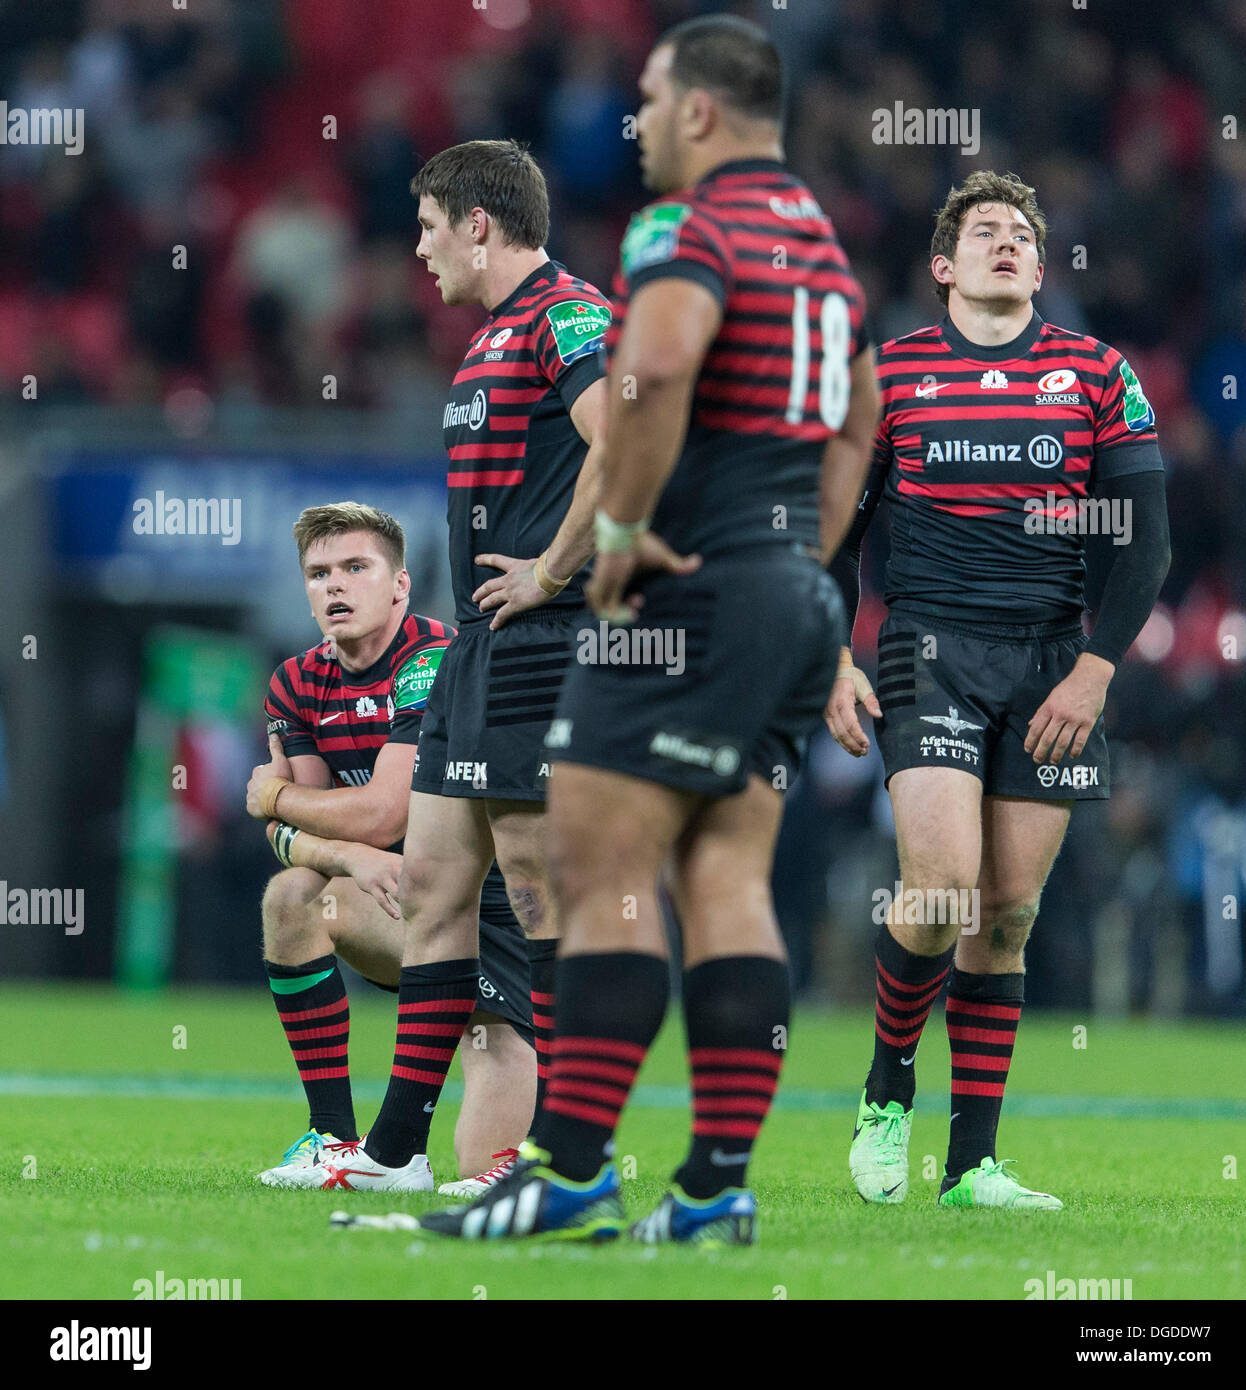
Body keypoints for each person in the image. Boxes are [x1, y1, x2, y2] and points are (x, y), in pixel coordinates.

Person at [421, 15, 878, 1245]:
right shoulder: (824, 250)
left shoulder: (686, 228)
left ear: (696, 112)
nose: (634, 117)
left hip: (692, 589)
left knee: (594, 865)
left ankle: (566, 1169)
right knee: (724, 875)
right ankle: (713, 1185)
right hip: (791, 592)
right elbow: (857, 423)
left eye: (646, 93)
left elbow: (654, 372)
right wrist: (809, 561)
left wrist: (610, 540)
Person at [831, 170, 1171, 1210]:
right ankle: (885, 1091)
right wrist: (834, 656)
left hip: (1049, 663)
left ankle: (971, 1164)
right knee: (938, 884)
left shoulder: (1096, 370)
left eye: (1022, 231)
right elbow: (835, 536)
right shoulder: (887, 373)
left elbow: (1146, 541)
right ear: (942, 266)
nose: (1009, 242)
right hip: (928, 648)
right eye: (986, 230)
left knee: (1007, 914)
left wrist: (1096, 667)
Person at [312, 141, 610, 1191]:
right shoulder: (489, 339)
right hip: (474, 652)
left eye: (431, 223)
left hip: (542, 644)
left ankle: (571, 1158)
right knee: (438, 891)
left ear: (479, 223)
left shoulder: (565, 315)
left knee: (539, 898)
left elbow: (623, 444)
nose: (420, 245)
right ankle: (394, 1153)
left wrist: (550, 572)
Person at [246, 502, 534, 1193]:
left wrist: (274, 799)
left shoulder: (432, 659)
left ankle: (551, 1120)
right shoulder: (297, 681)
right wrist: (347, 856)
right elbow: (322, 841)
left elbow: (378, 813)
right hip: (397, 907)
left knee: (485, 1173)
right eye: (318, 573)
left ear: (399, 585)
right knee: (293, 898)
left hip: (497, 921)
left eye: (355, 568)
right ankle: (334, 1140)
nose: (335, 586)